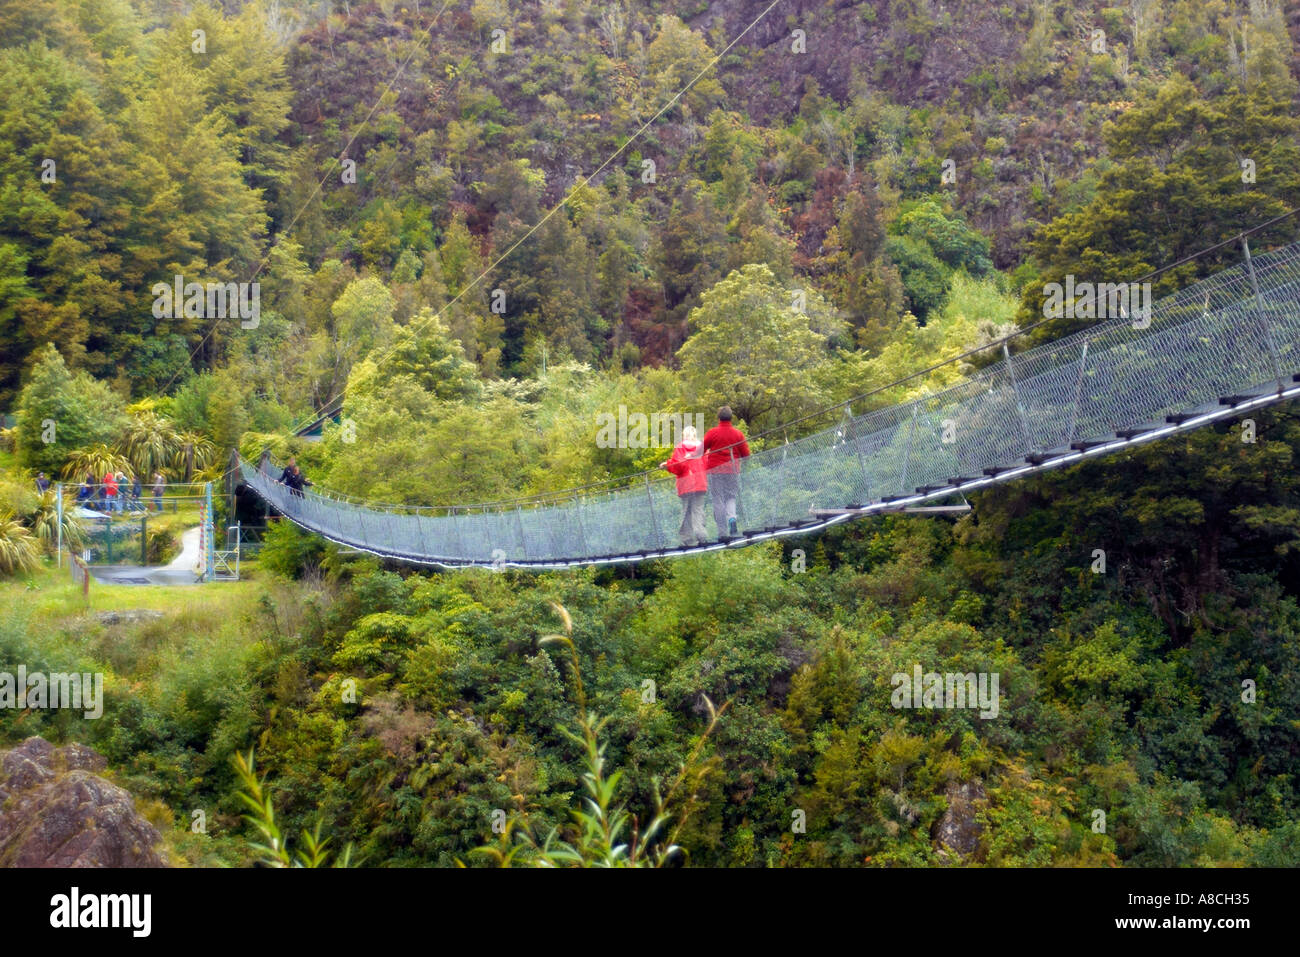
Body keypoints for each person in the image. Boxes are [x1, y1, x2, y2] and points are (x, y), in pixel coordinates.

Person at [702, 406, 750, 539]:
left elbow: (701, 450)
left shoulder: (712, 433)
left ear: (719, 418)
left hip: (715, 471)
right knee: (731, 497)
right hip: (733, 471)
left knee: (718, 499)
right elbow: (746, 454)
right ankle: (732, 519)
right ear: (731, 417)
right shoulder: (738, 434)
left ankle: (722, 532)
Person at [661, 425, 709, 547]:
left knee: (686, 512)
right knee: (698, 510)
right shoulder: (702, 448)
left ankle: (687, 540)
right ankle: (702, 537)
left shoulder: (681, 447)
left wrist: (667, 465)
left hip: (686, 484)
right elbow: (707, 464)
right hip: (700, 483)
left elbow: (678, 466)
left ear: (685, 435)